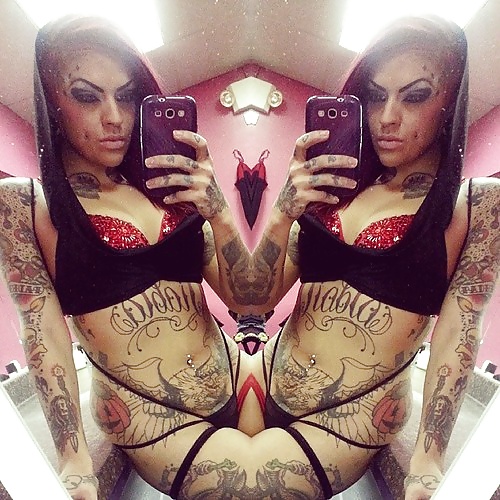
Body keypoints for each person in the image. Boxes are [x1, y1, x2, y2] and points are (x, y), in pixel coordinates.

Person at [225, 14, 499, 500]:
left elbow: (459, 332)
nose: (387, 117)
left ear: (449, 103)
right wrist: (284, 210)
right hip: (263, 377)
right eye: (376, 96)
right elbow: (257, 297)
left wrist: (428, 458)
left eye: (414, 96)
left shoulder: (474, 204)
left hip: (349, 421)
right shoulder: (335, 193)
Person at [0, 15, 264, 500]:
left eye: (126, 97)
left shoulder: (167, 192)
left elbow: (241, 295)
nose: (114, 117)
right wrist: (74, 458)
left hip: (236, 378)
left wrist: (219, 213)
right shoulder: (25, 203)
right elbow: (42, 330)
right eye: (87, 96)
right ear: (52, 102)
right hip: (151, 420)